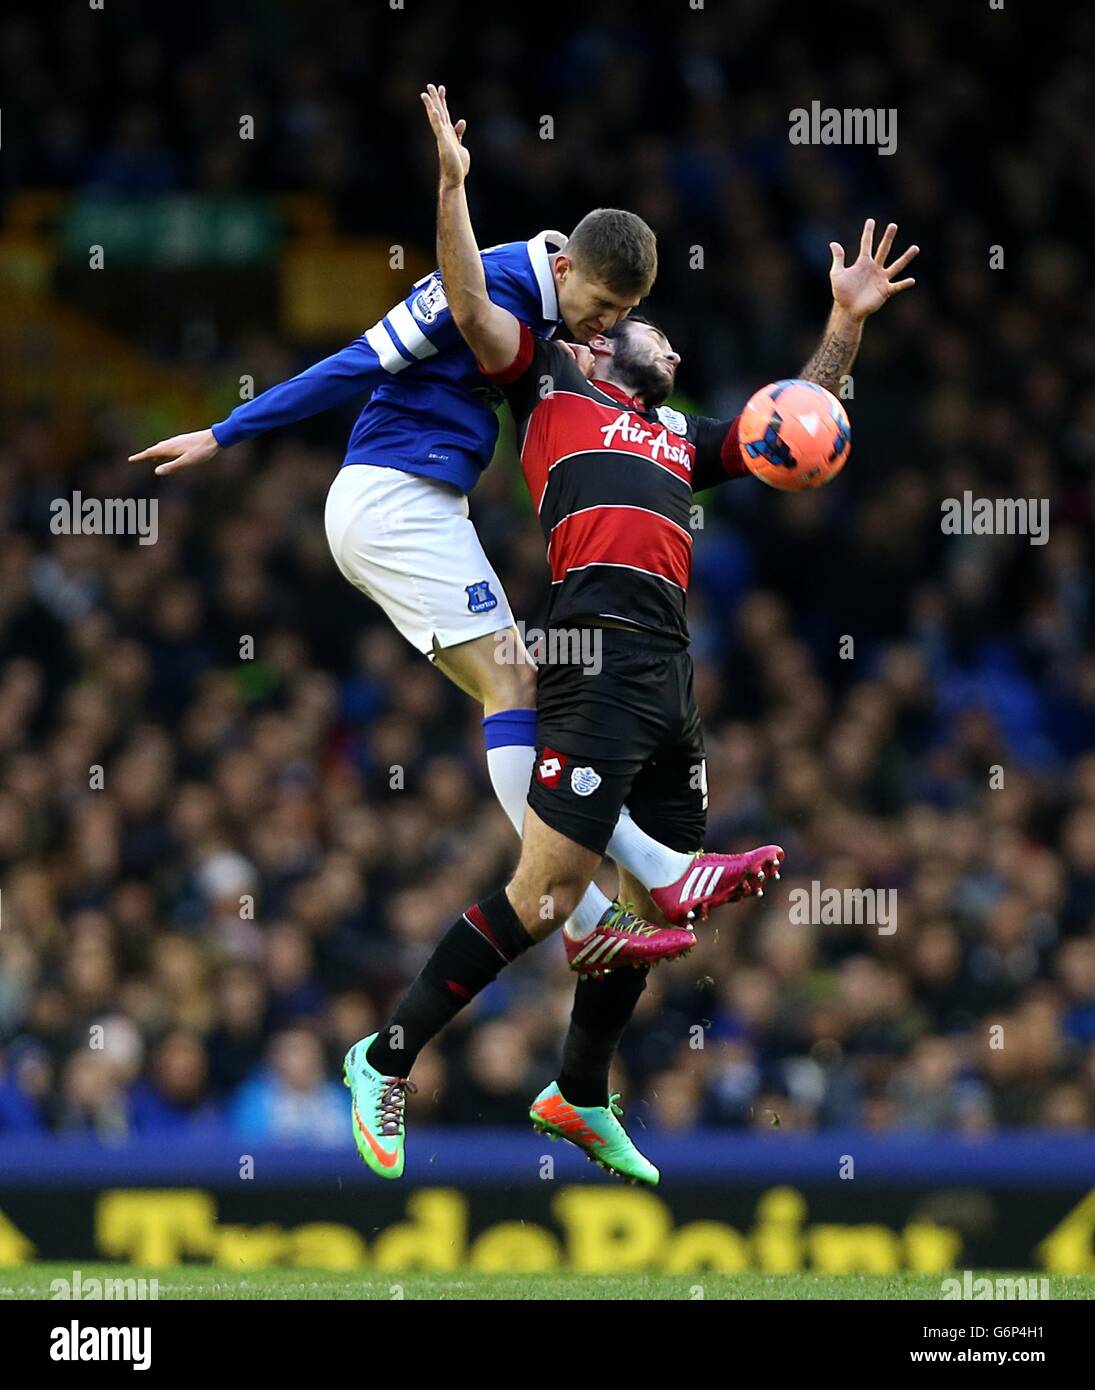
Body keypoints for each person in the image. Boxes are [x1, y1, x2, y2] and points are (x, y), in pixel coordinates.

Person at [340, 86, 918, 1186]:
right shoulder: (552, 381)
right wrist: (455, 191)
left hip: (669, 671)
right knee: (548, 893)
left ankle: (581, 1089)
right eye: (631, 320)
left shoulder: (676, 436)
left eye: (652, 325)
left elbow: (788, 427)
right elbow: (468, 302)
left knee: (651, 905)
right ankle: (388, 1051)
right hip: (590, 647)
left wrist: (843, 324)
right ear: (597, 339)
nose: (648, 331)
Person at [130, 84, 784, 951]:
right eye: (602, 306)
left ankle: (596, 916)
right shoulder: (493, 284)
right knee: (516, 682)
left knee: (514, 689)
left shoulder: (559, 320)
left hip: (422, 504)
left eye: (623, 316)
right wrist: (226, 430)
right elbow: (355, 360)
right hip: (388, 501)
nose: (608, 325)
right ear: (563, 270)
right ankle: (635, 889)